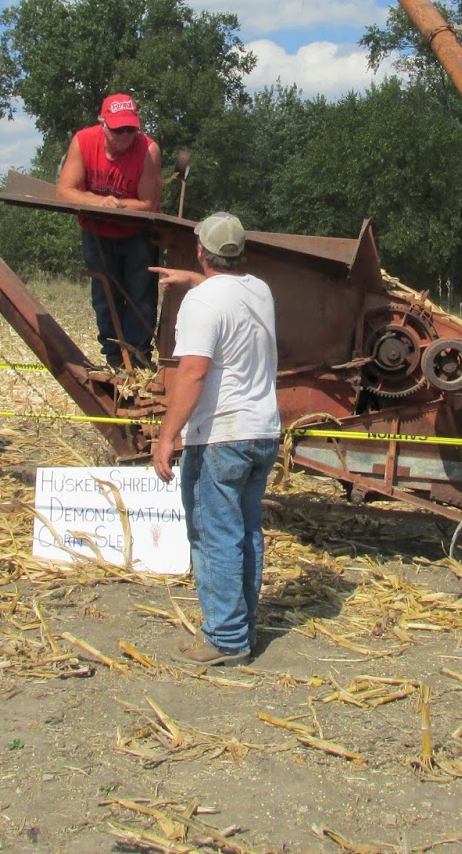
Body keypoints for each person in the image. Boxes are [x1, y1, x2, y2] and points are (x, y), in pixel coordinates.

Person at [150, 212, 281, 667]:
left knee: (213, 535)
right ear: (241, 252)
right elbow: (228, 290)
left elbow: (194, 373)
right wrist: (192, 279)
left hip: (221, 436)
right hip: (263, 432)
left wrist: (167, 437)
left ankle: (226, 639)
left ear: (201, 251)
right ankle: (244, 627)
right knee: (246, 531)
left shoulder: (202, 304)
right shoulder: (260, 290)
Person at [56, 93, 163, 369]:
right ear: (102, 123)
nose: (126, 136)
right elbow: (65, 191)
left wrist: (118, 206)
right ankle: (115, 358)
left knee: (141, 298)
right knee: (104, 297)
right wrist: (98, 203)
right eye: (118, 130)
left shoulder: (148, 150)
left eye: (131, 129)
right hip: (96, 233)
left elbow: (148, 204)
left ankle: (139, 359)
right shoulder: (83, 141)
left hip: (137, 235)